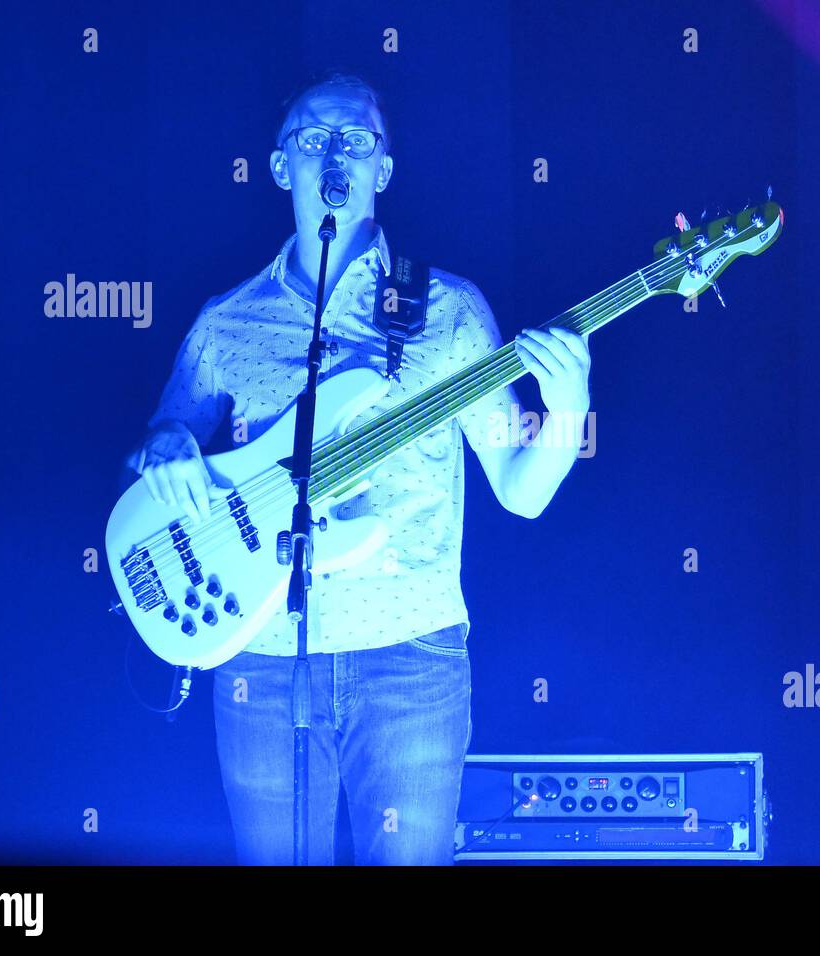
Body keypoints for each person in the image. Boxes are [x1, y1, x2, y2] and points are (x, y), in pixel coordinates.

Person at [131, 72, 591, 864]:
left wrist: (570, 402)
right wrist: (164, 447)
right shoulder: (227, 321)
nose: (334, 152)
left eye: (355, 138)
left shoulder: (449, 312)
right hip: (262, 658)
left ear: (382, 169)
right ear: (282, 166)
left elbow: (521, 491)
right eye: (314, 138)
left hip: (412, 656)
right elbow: (159, 449)